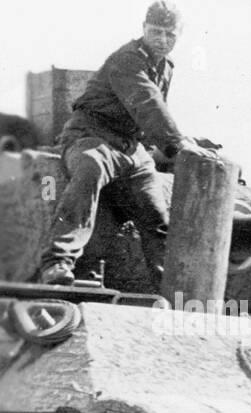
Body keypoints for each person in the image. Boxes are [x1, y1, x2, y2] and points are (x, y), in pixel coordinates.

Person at [35, 2, 204, 289]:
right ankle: (58, 261)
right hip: (91, 135)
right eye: (156, 31)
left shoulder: (165, 66)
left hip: (130, 148)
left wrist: (186, 143)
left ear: (179, 36)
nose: (162, 40)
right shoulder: (127, 59)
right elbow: (147, 103)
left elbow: (152, 113)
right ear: (143, 29)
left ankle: (174, 288)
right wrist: (178, 144)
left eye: (170, 35)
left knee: (156, 217)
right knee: (89, 168)